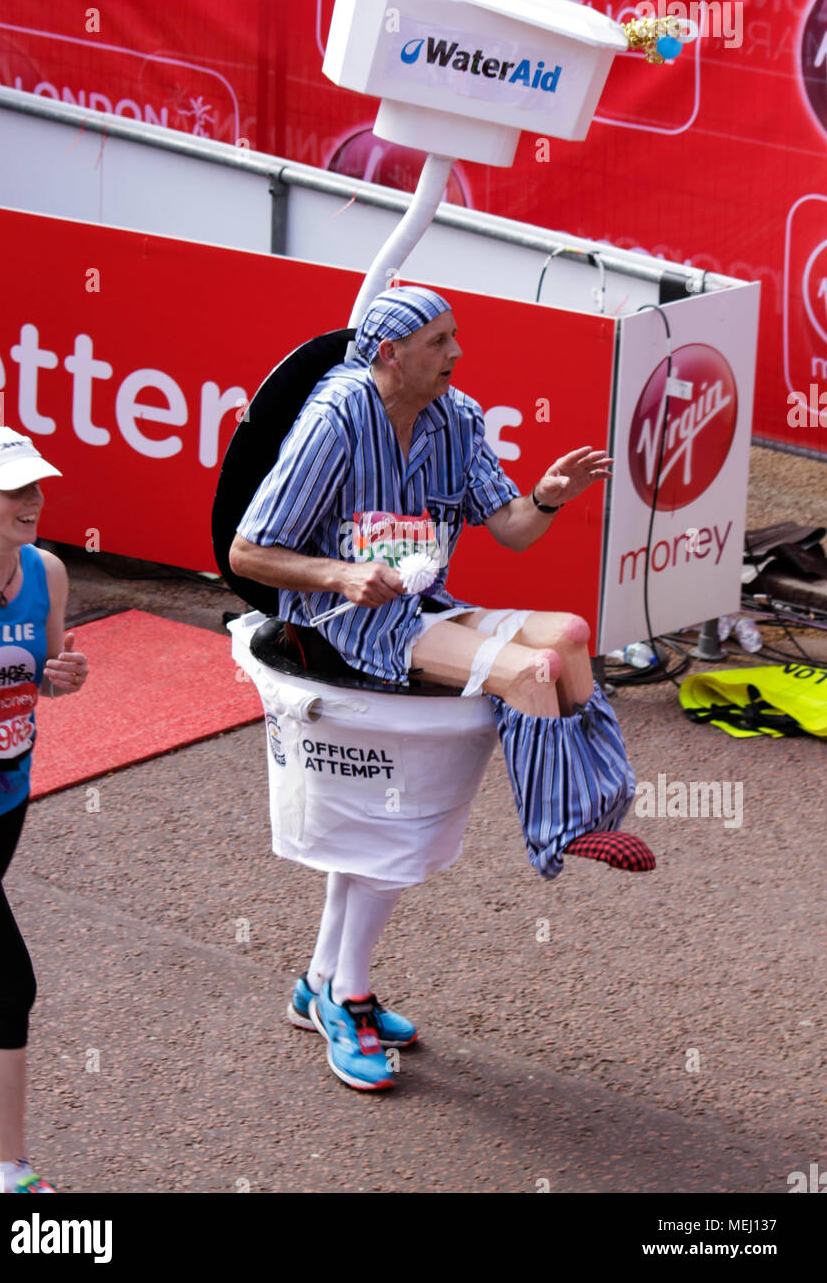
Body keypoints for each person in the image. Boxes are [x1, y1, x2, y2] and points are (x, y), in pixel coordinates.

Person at [230, 286, 651, 1093]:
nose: (457, 354)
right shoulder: (338, 417)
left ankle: (324, 985)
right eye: (439, 341)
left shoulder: (457, 418)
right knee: (528, 674)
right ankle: (561, 826)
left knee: (566, 638)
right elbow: (250, 550)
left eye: (456, 337)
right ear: (389, 352)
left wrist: (548, 496)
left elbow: (514, 532)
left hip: (420, 608)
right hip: (339, 623)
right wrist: (341, 572)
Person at [0, 426, 89, 1191]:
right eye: (15, 490)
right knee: (11, 984)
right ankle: (11, 1176)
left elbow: (44, 673)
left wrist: (62, 676)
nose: (34, 501)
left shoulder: (47, 572)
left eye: (37, 486)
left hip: (8, 793)